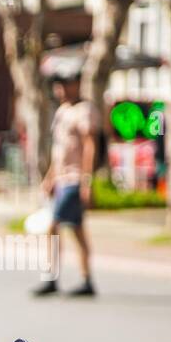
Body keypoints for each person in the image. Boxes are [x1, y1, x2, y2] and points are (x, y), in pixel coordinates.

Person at [35, 72, 98, 297]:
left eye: (66, 84)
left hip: (74, 179)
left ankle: (51, 278)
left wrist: (86, 181)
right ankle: (87, 279)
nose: (61, 89)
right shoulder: (62, 111)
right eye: (58, 85)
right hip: (61, 179)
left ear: (77, 84)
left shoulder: (84, 110)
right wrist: (51, 176)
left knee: (53, 226)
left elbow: (89, 146)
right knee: (77, 231)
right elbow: (59, 149)